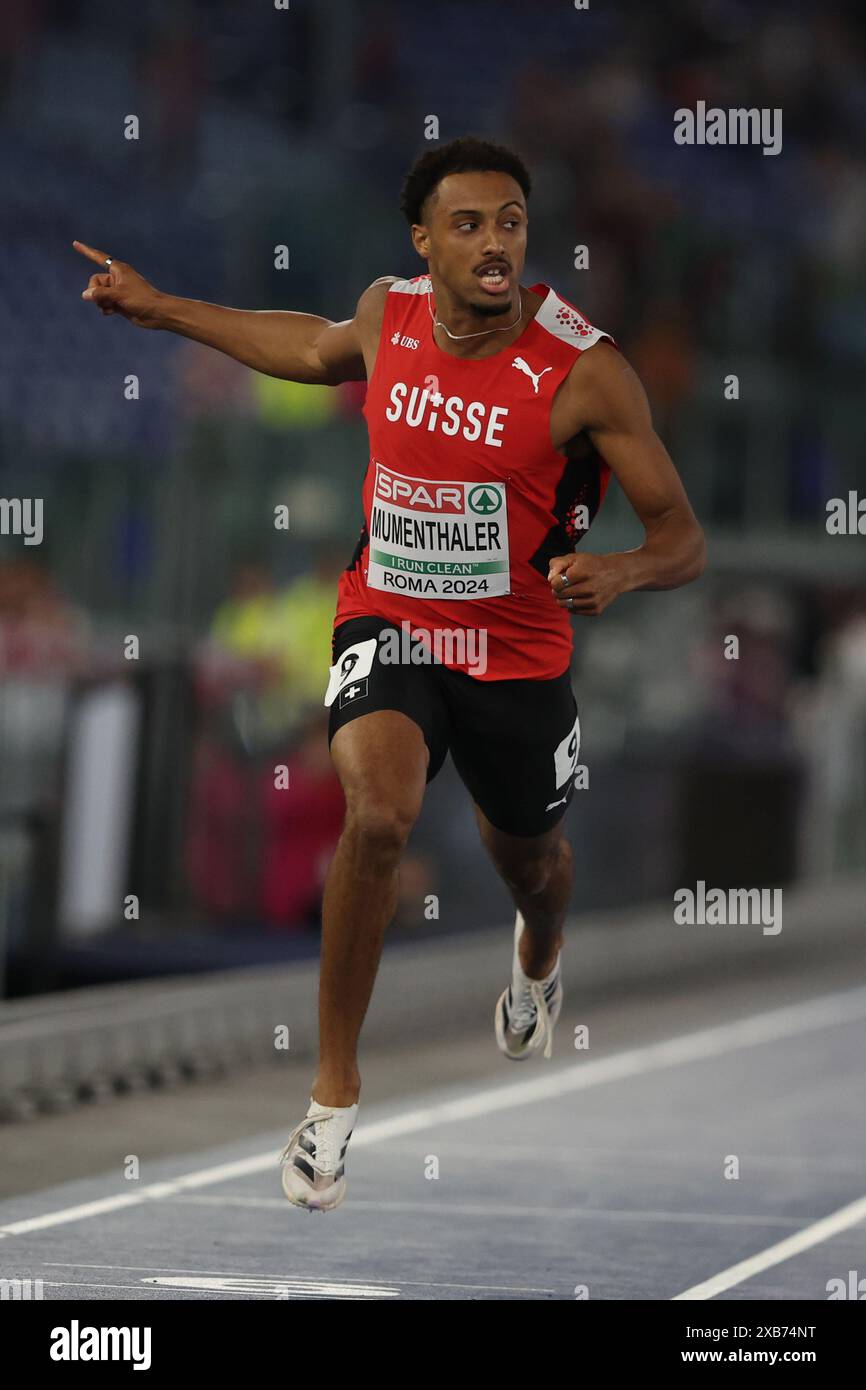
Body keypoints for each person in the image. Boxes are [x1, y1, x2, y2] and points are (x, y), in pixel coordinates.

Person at [75, 135, 706, 1212]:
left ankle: (538, 955)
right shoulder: (389, 313)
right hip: (392, 617)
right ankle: (330, 1100)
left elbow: (683, 536)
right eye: (468, 225)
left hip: (513, 653)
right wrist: (162, 307)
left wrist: (626, 567)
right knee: (376, 817)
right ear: (424, 242)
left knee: (534, 864)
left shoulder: (582, 367)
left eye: (509, 220)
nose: (495, 242)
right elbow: (313, 349)